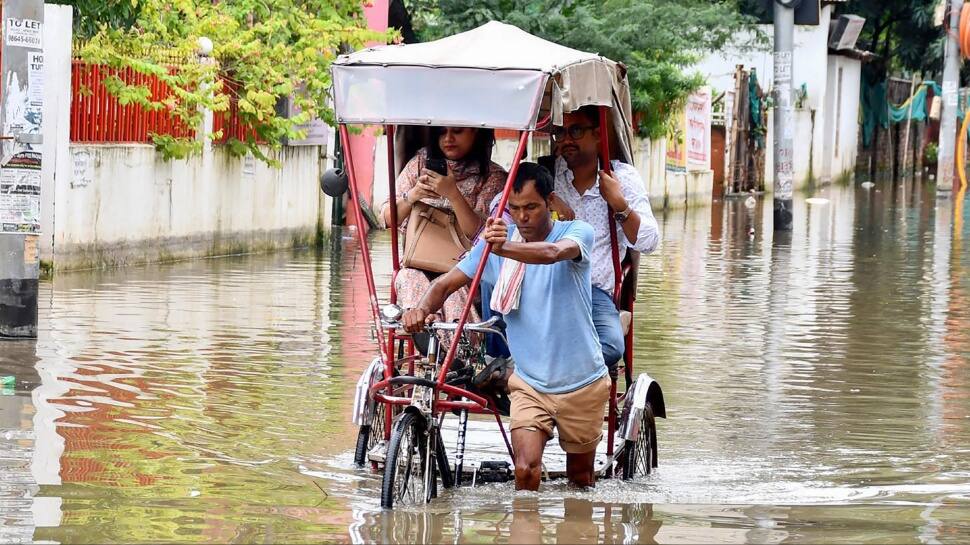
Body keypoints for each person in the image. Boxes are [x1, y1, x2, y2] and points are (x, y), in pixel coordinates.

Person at [402, 162, 609, 491]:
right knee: (524, 470)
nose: (522, 217)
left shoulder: (576, 232)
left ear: (550, 202)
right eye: (514, 209)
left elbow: (553, 252)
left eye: (531, 207)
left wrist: (504, 249)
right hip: (529, 383)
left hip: (581, 382)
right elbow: (445, 284)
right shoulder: (493, 247)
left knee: (581, 480)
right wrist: (421, 309)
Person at [546, 106, 660, 371]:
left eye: (576, 131)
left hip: (593, 290)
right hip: (547, 283)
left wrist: (619, 204)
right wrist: (549, 201)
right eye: (560, 133)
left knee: (610, 345)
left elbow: (649, 241)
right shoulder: (547, 175)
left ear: (598, 134)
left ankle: (551, 369)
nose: (566, 140)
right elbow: (506, 205)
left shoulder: (622, 177)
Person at [381, 126, 507, 322]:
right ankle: (420, 326)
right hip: (417, 264)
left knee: (453, 291)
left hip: (463, 272)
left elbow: (479, 234)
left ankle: (451, 338)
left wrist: (453, 194)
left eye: (457, 131)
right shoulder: (419, 164)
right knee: (407, 277)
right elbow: (387, 219)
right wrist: (413, 195)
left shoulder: (492, 176)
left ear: (475, 132)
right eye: (441, 132)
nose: (448, 138)